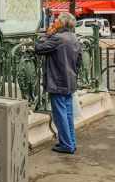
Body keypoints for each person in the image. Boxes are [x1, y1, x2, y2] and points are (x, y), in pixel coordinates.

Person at [35, 12, 81, 154]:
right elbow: (79, 61)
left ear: (62, 23)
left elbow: (39, 48)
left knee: (60, 114)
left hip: (57, 81)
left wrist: (46, 35)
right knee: (67, 114)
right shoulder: (73, 37)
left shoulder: (57, 38)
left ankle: (66, 144)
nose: (54, 22)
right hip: (70, 81)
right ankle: (70, 142)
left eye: (56, 21)